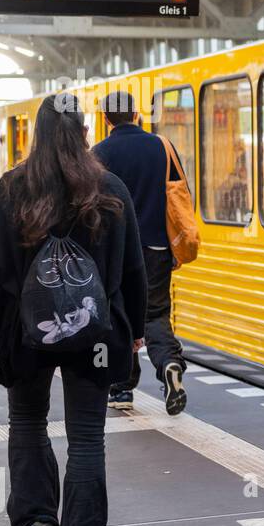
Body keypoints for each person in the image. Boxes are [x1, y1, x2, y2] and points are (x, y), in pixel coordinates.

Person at [0, 94, 147, 526]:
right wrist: (133, 331)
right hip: (94, 333)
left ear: (38, 133)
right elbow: (132, 269)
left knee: (27, 423)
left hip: (26, 334)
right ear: (85, 131)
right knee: (87, 439)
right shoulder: (109, 189)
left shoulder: (12, 189)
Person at [91, 90, 189, 415]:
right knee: (155, 314)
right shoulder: (161, 146)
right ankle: (170, 365)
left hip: (115, 251)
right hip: (156, 246)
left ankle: (121, 388)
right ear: (136, 114)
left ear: (105, 119)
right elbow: (178, 197)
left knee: (118, 314)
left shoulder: (98, 154)